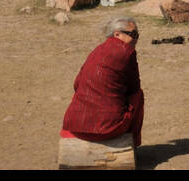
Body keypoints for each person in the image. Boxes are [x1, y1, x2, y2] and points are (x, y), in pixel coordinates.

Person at [61, 17, 144, 148]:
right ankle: (132, 144)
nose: (136, 39)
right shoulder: (127, 52)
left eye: (137, 35)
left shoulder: (97, 50)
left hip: (75, 126)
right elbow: (134, 88)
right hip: (108, 129)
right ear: (117, 34)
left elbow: (77, 83)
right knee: (138, 96)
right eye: (133, 34)